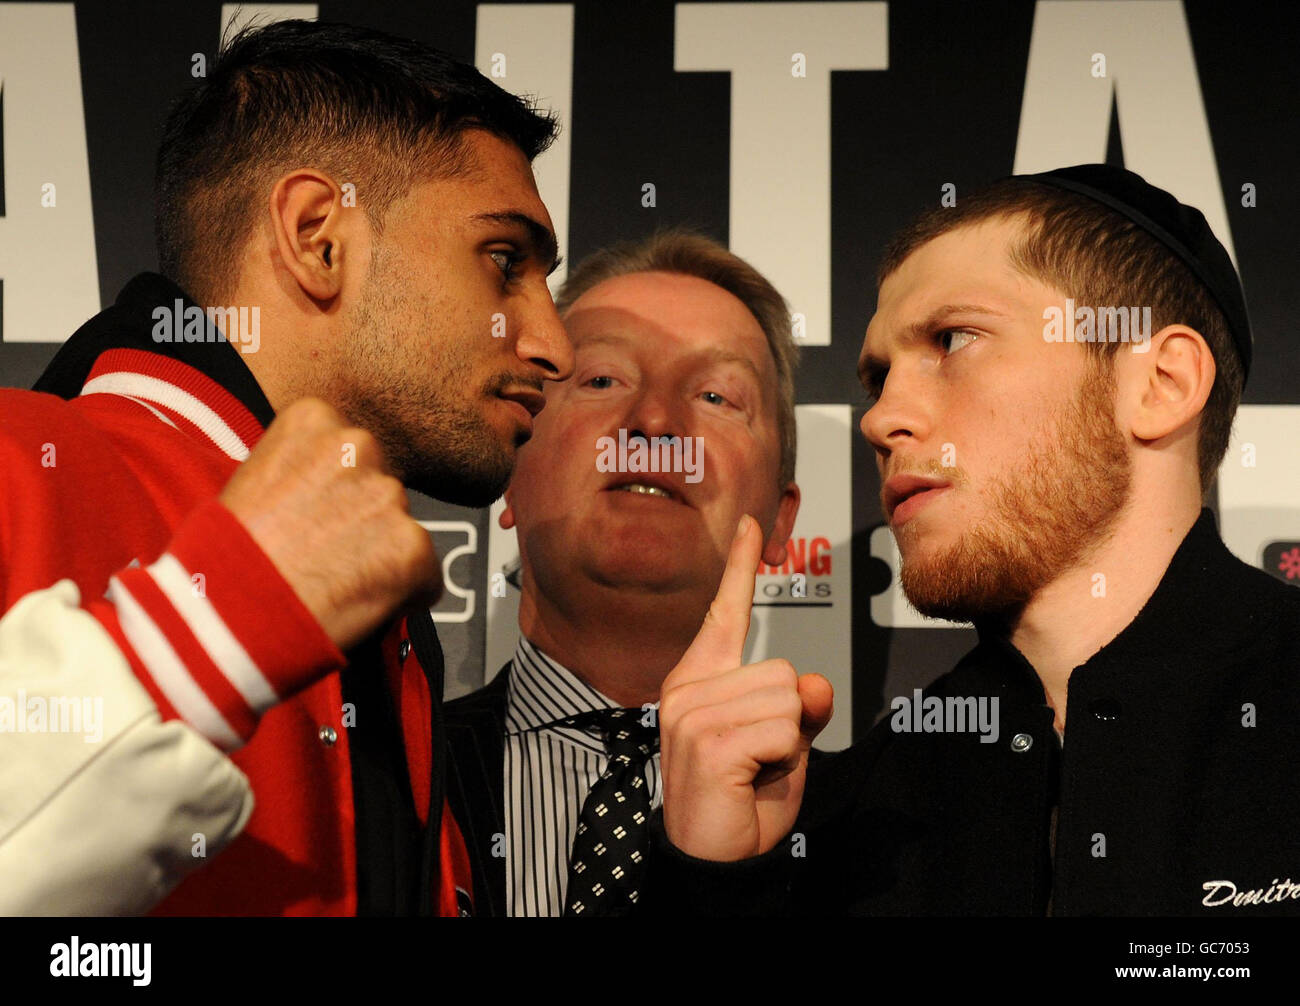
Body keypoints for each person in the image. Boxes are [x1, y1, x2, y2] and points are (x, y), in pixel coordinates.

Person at [0, 19, 572, 915]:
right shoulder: (13, 468)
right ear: (318, 237)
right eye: (504, 261)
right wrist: (212, 624)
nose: (553, 343)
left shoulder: (390, 627)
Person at [653, 164, 1300, 915]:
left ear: (1161, 383)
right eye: (879, 377)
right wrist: (713, 886)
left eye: (954, 339)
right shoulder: (832, 819)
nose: (880, 418)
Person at [443, 230, 804, 915]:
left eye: (717, 397)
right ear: (512, 474)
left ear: (781, 521)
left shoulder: (868, 834)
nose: (655, 421)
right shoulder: (379, 778)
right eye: (602, 380)